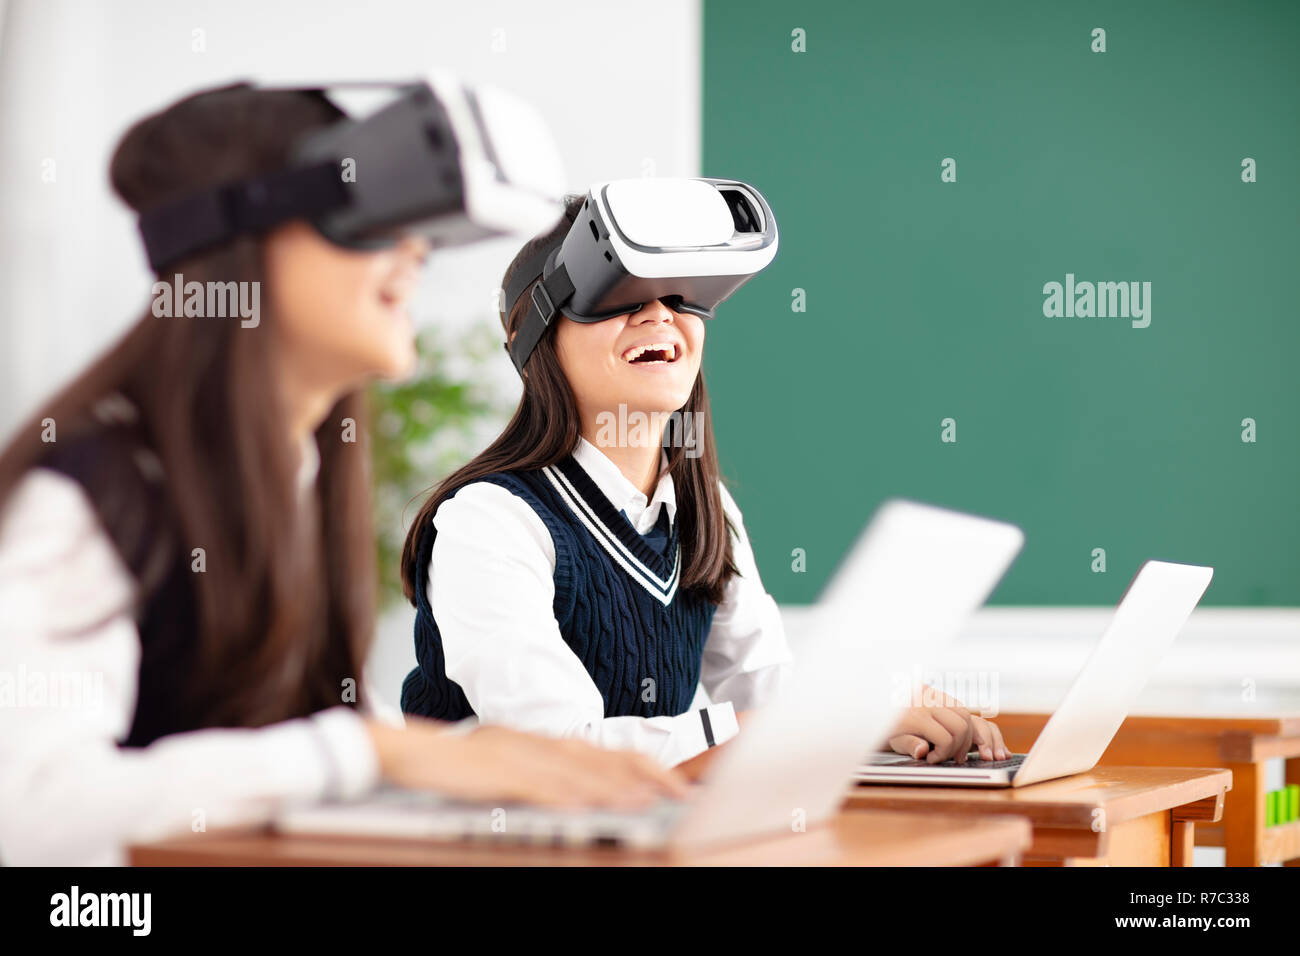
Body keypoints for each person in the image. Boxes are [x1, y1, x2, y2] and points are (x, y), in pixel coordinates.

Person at [0, 85, 682, 867]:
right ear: (234, 240)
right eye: (367, 220)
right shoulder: (90, 496)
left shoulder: (299, 474)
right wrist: (372, 752)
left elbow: (271, 772)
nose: (415, 252)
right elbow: (24, 811)